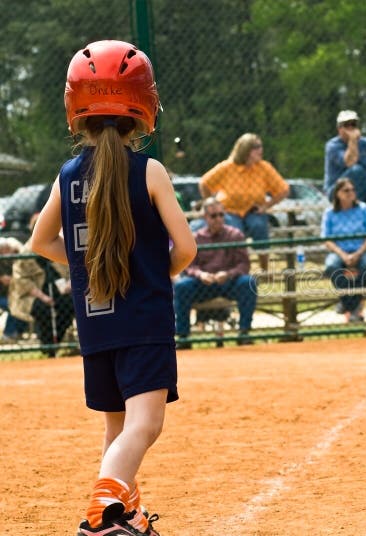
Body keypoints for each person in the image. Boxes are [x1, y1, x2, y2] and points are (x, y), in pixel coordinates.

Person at [30, 40, 196, 536]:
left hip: (94, 321)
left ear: (74, 107)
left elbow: (41, 241)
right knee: (145, 427)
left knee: (116, 428)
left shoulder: (66, 174)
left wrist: (84, 267)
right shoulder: (149, 170)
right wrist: (155, 273)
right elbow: (185, 248)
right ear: (142, 106)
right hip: (142, 317)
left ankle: (130, 515)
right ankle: (102, 517)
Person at [174, 198, 257, 346]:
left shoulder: (235, 235)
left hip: (229, 283)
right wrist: (201, 275)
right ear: (205, 217)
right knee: (182, 286)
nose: (218, 219)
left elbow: (243, 264)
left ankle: (244, 333)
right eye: (213, 216)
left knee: (248, 282)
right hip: (204, 284)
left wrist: (228, 274)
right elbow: (188, 265)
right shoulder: (197, 238)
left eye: (221, 215)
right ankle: (183, 337)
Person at [200, 132, 289, 271]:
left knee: (259, 226)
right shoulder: (227, 167)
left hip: (253, 210)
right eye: (256, 147)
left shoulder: (264, 167)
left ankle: (265, 270)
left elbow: (284, 189)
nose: (261, 150)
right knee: (235, 233)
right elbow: (204, 183)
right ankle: (237, 270)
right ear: (245, 150)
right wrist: (211, 204)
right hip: (229, 210)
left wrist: (266, 206)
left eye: (261, 146)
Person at [321, 177, 366, 323]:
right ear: (337, 194)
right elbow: (326, 239)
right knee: (331, 267)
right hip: (339, 251)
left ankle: (347, 303)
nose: (350, 193)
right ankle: (353, 306)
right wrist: (343, 255)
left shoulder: (364, 209)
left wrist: (358, 253)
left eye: (353, 190)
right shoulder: (330, 213)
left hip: (362, 250)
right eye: (346, 190)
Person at [8, 234, 74, 356]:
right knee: (43, 309)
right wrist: (44, 297)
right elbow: (21, 280)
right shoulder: (26, 252)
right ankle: (47, 346)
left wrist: (69, 283)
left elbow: (69, 269)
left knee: (69, 306)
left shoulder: (57, 245)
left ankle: (55, 343)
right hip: (34, 295)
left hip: (59, 290)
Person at [324, 110, 366, 207]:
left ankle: (365, 208)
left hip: (362, 188)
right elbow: (350, 162)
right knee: (357, 170)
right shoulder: (332, 146)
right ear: (339, 129)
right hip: (337, 191)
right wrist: (353, 140)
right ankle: (355, 209)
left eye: (353, 124)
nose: (351, 128)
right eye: (346, 125)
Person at [0, 237, 27, 341]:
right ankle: (8, 335)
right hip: (2, 297)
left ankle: (17, 333)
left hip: (13, 295)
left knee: (25, 305)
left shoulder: (14, 260)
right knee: (13, 306)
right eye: (4, 250)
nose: (8, 252)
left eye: (8, 249)